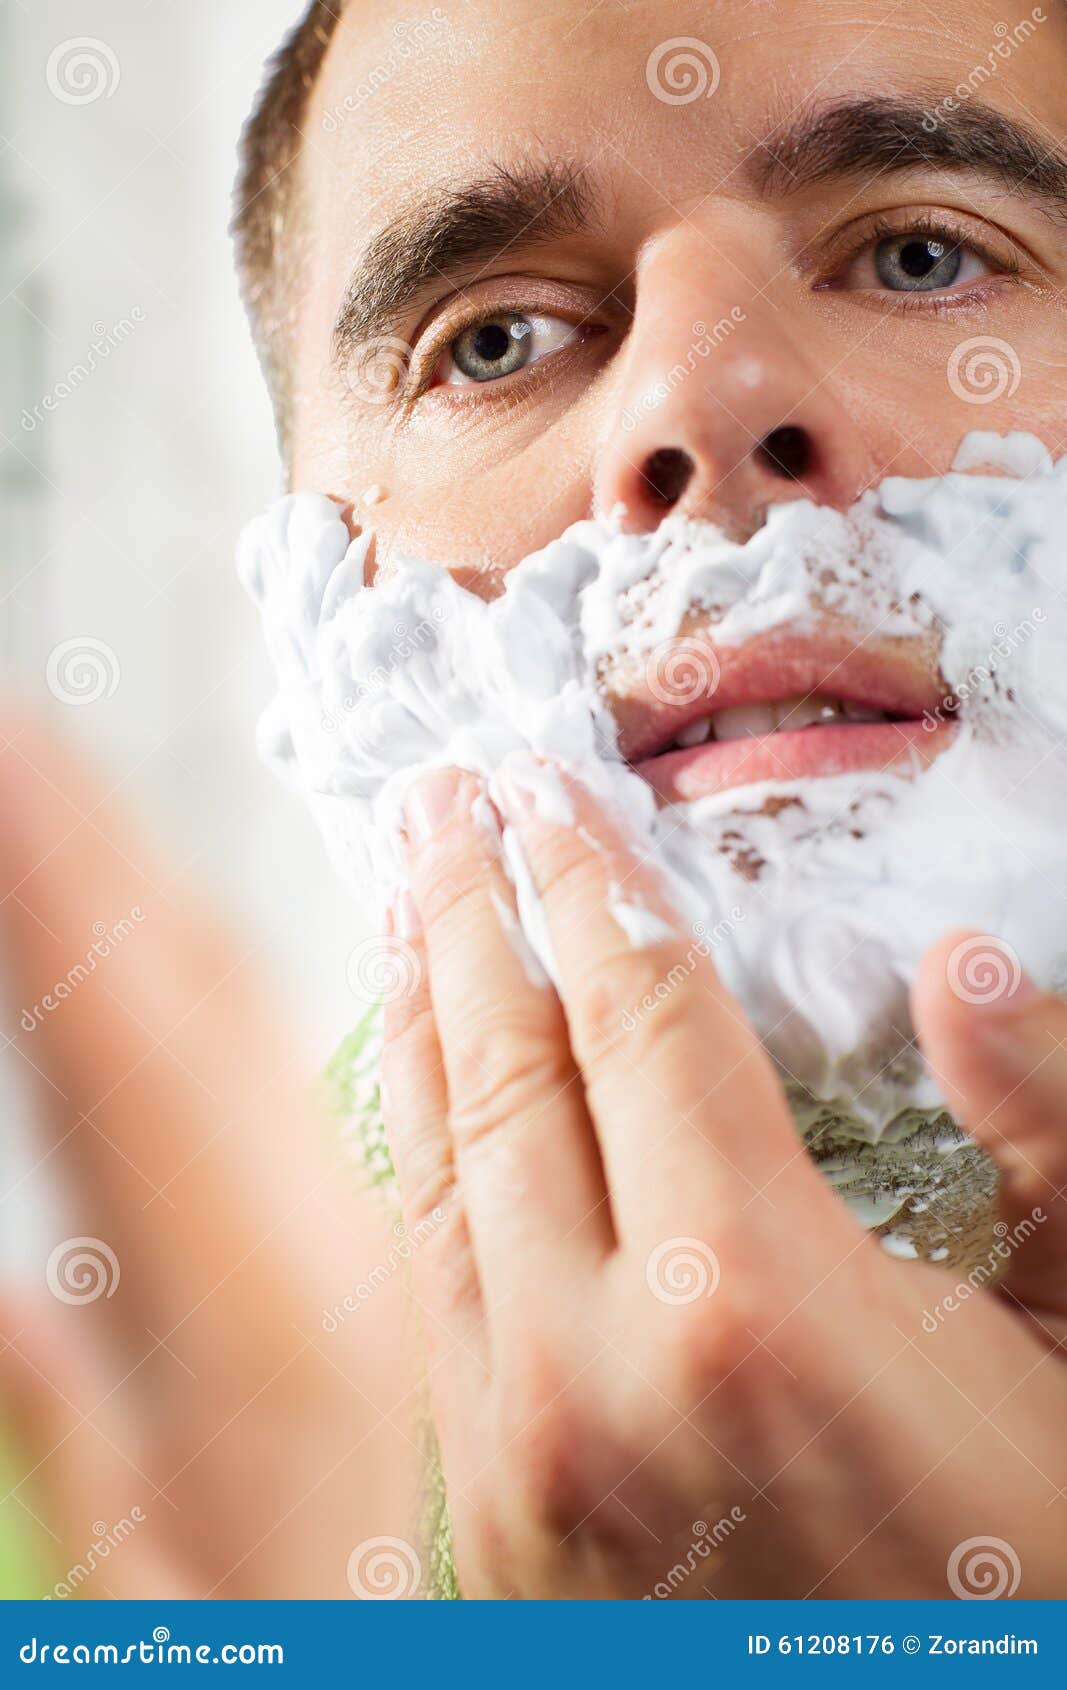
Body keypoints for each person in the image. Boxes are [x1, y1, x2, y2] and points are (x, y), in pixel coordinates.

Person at [2, 0, 1066, 1599]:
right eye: (494, 338)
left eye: (921, 254)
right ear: (312, 600)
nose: (702, 404)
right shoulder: (123, 1503)